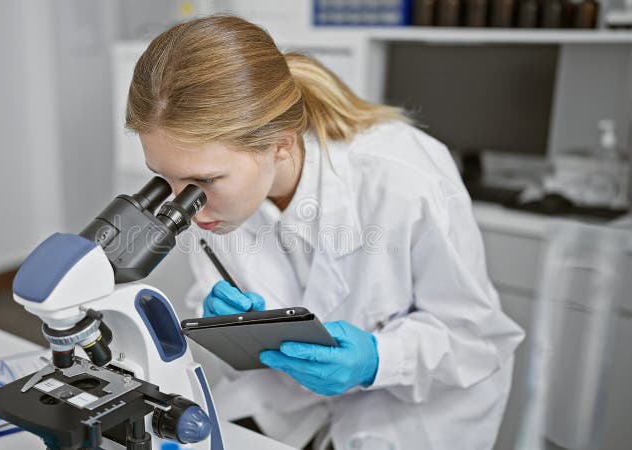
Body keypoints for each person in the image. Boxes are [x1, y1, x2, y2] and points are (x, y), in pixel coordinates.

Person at [125, 15, 525, 450]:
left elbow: (478, 341)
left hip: (407, 417)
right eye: (165, 179)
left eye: (205, 182)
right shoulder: (212, 198)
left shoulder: (404, 177)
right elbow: (230, 325)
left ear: (280, 144)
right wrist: (225, 327)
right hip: (283, 410)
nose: (185, 206)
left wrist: (378, 359)